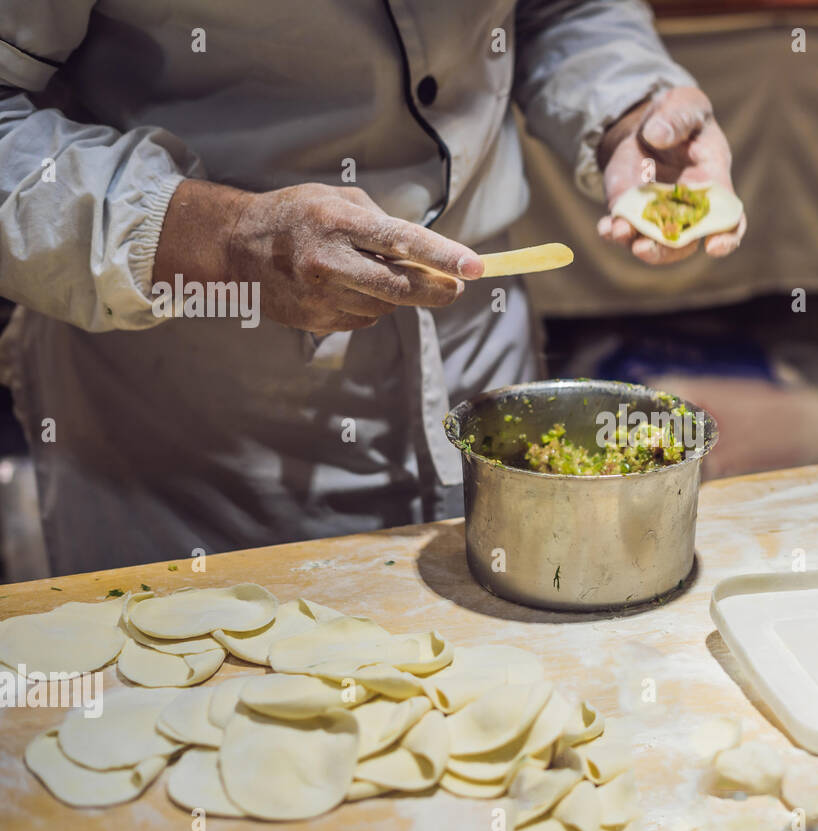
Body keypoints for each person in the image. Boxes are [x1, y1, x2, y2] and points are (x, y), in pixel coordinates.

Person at [0, 1, 744, 576]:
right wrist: (223, 241)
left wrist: (626, 116)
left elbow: (559, 10)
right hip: (191, 413)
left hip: (477, 351)